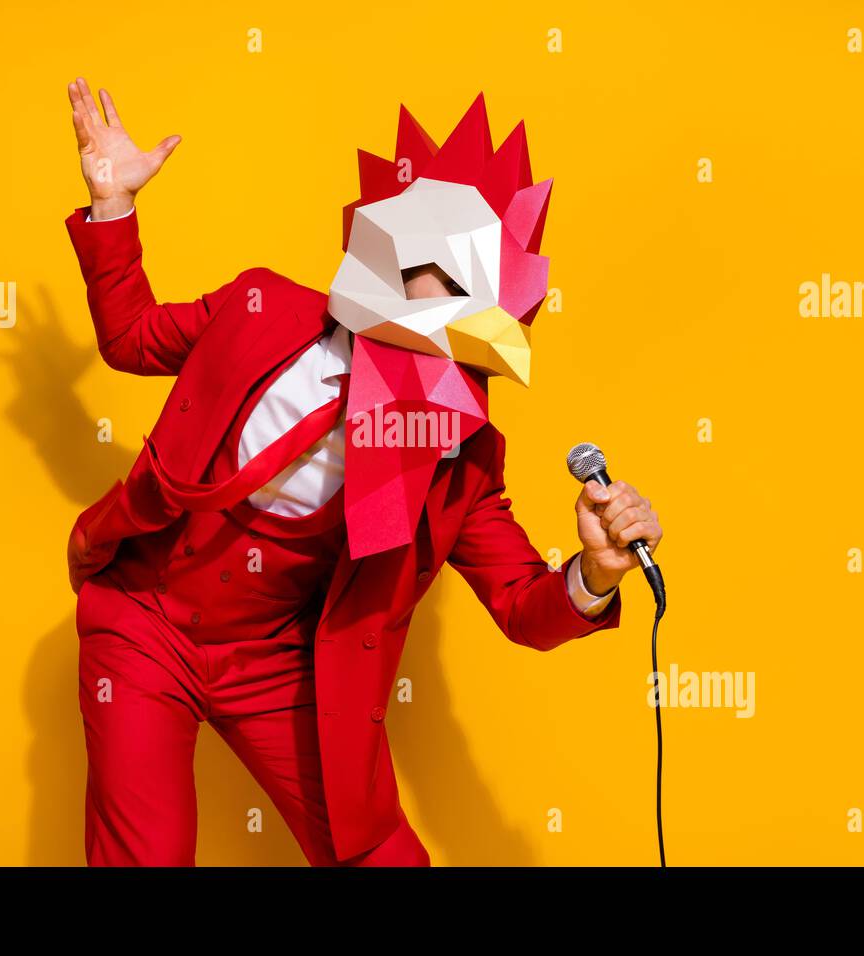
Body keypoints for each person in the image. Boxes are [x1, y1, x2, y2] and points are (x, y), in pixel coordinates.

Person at [63, 77, 663, 866]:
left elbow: (523, 608)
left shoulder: (462, 457)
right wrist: (114, 206)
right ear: (390, 252)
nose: (461, 310)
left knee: (381, 857)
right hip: (144, 621)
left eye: (480, 295)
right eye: (443, 279)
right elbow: (133, 340)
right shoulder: (261, 307)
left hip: (273, 664)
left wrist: (595, 569)